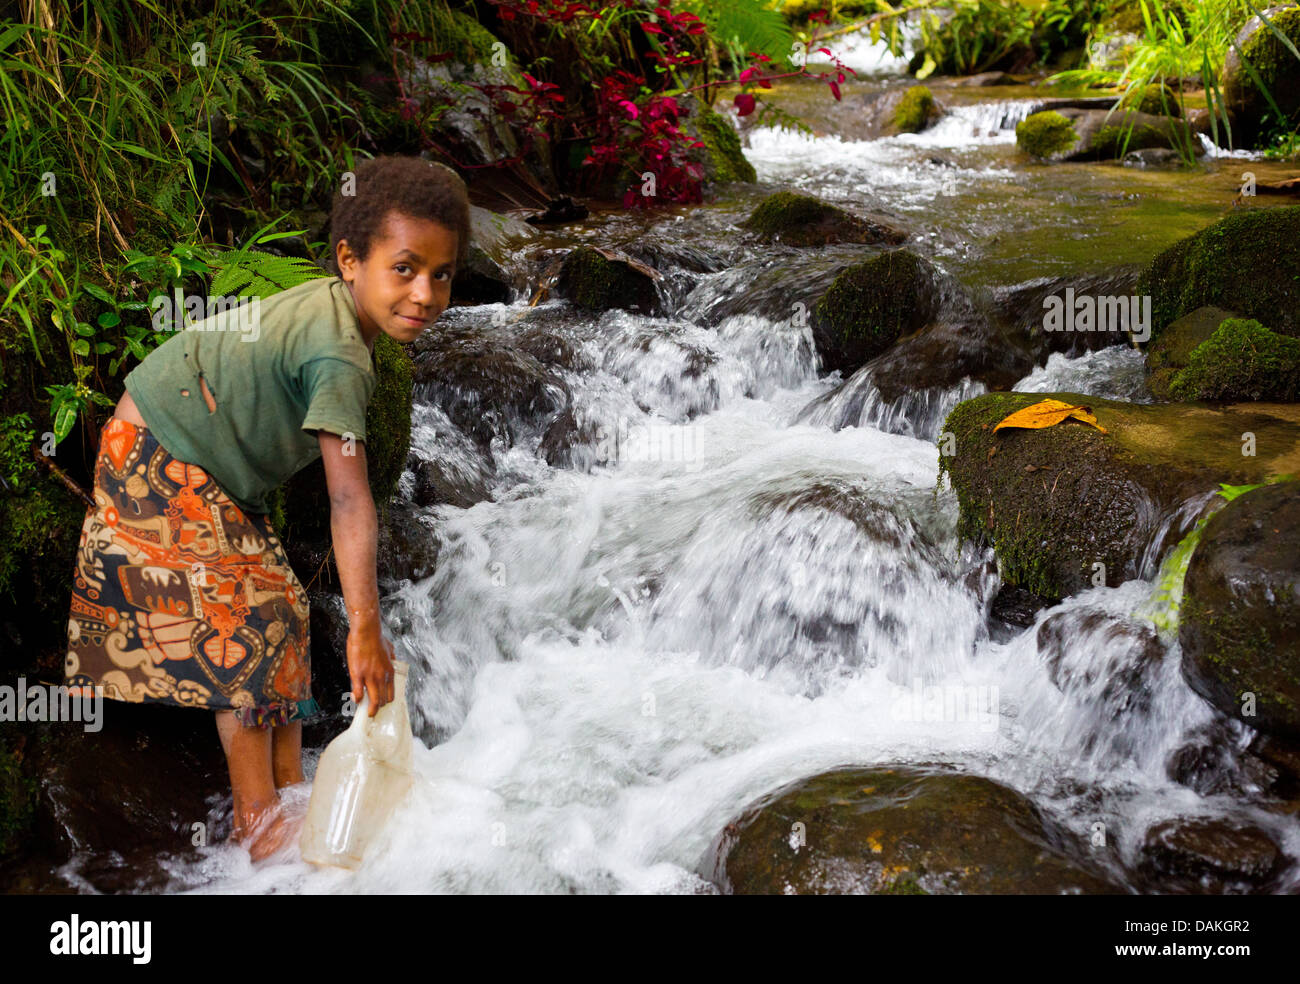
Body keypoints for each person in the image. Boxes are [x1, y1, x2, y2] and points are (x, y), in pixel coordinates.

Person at [64, 155, 470, 860]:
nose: (425, 292)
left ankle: (288, 788)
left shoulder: (339, 318)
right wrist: (367, 631)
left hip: (192, 460)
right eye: (404, 268)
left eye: (441, 274)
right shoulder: (341, 357)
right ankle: (257, 819)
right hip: (157, 452)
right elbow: (349, 499)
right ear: (351, 260)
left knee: (284, 604)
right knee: (242, 618)